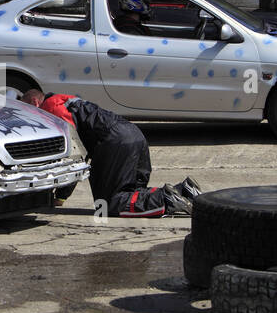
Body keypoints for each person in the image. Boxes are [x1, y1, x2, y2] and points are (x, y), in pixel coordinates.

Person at [20, 89, 200, 217]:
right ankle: (183, 191)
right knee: (132, 193)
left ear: (35, 103)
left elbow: (73, 154)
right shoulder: (64, 99)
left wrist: (60, 196)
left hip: (115, 142)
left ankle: (167, 199)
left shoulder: (50, 109)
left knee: (109, 205)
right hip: (134, 134)